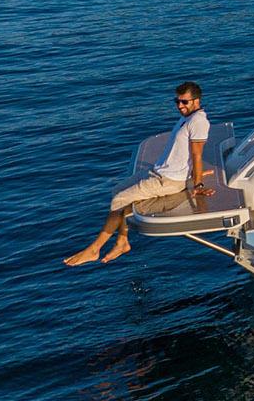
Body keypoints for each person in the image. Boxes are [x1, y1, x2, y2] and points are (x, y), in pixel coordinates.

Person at [64, 81, 215, 266]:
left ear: (196, 100)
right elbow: (185, 153)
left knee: (119, 201)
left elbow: (197, 154)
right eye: (177, 101)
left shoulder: (199, 121)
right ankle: (122, 241)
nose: (180, 106)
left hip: (167, 180)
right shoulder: (187, 118)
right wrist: (192, 174)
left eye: (184, 102)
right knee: (117, 191)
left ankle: (94, 249)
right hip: (158, 172)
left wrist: (198, 184)